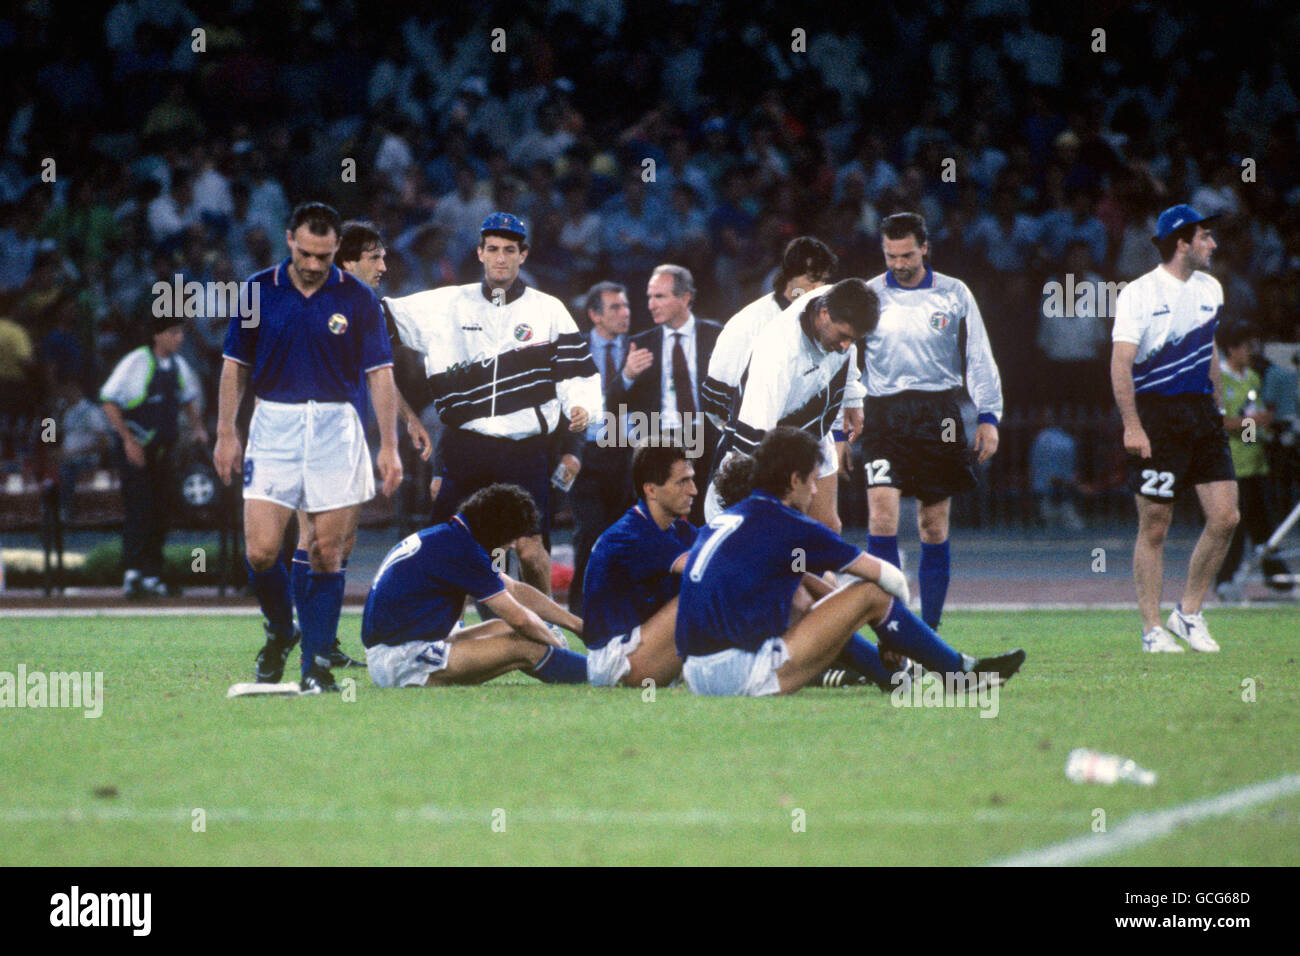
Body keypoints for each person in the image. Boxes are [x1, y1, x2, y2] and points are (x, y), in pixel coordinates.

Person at [675, 428, 1025, 697]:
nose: (815, 491)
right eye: (812, 480)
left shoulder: (729, 518)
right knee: (868, 594)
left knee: (806, 601)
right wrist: (893, 638)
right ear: (794, 480)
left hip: (695, 673)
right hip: (737, 674)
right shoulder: (788, 523)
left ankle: (895, 677)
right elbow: (889, 578)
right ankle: (958, 674)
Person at [214, 202, 403, 693]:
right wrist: (225, 433)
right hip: (272, 423)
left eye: (325, 255)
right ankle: (281, 630)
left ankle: (315, 665)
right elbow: (235, 365)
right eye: (306, 253)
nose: (315, 265)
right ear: (289, 240)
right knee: (259, 553)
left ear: (337, 247)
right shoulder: (257, 289)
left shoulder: (358, 297)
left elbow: (380, 374)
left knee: (325, 552)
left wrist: (389, 446)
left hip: (336, 426)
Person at [382, 212, 600, 598]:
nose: (501, 258)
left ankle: (542, 627)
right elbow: (376, 322)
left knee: (532, 550)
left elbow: (579, 374)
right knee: (441, 545)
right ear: (481, 253)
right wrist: (348, 282)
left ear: (524, 255)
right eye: (493, 249)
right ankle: (437, 631)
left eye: (510, 250)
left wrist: (581, 406)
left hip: (526, 450)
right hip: (466, 446)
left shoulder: (549, 310)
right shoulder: (446, 303)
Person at [282, 221, 432, 670]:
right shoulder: (318, 301)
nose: (384, 266)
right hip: (309, 432)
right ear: (347, 260)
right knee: (314, 536)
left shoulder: (366, 304)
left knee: (342, 540)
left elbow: (379, 373)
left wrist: (407, 421)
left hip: (345, 435)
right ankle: (310, 639)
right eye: (374, 257)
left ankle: (321, 641)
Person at [862, 212, 1004, 632]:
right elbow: (844, 362)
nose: (899, 264)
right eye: (891, 256)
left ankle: (930, 632)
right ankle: (893, 629)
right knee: (882, 515)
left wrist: (988, 416)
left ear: (925, 248)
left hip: (939, 412)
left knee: (933, 523)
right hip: (884, 412)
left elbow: (979, 355)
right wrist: (840, 423)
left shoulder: (954, 293)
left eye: (907, 255)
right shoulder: (868, 296)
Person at [1111, 203, 1239, 652]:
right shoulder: (1140, 293)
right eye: (1205, 236)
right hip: (1157, 414)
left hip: (1200, 412)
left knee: (1225, 517)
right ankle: (1151, 630)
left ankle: (1188, 613)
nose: (1213, 244)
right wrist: (1132, 426)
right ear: (1182, 242)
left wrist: (1220, 407)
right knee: (1156, 525)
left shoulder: (1211, 288)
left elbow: (1209, 351)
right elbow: (1121, 364)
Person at [363, 483, 589, 688]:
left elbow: (517, 590)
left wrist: (578, 626)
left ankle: (584, 667)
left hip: (397, 650)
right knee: (526, 645)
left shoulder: (452, 536)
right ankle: (604, 673)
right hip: (401, 659)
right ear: (497, 529)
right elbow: (520, 619)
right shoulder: (463, 551)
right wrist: (555, 647)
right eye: (510, 538)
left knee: (506, 629)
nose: (511, 546)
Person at [701, 236, 853, 532]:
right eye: (811, 280)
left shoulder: (828, 322)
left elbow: (840, 374)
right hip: (758, 444)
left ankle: (819, 577)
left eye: (823, 281)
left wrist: (843, 417)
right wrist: (742, 435)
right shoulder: (748, 324)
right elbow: (715, 400)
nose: (818, 290)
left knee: (827, 527)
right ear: (787, 277)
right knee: (762, 533)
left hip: (813, 438)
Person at [100, 314, 207, 598]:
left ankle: (152, 575)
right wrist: (127, 441)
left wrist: (198, 429)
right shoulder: (136, 362)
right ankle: (132, 574)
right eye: (173, 333)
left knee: (160, 512)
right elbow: (109, 400)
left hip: (164, 453)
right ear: (157, 336)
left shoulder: (178, 366)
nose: (179, 338)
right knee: (139, 509)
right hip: (137, 450)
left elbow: (189, 399)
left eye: (180, 333)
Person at [606, 263, 721, 525]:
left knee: (706, 519)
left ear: (685, 298)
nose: (651, 304)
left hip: (708, 438)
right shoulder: (640, 343)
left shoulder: (716, 336)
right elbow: (611, 403)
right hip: (661, 441)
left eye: (659, 296)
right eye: (649, 296)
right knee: (663, 524)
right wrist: (627, 376)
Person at [580, 443, 698, 687]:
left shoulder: (678, 530)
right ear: (651, 490)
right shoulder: (631, 534)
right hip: (615, 662)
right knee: (704, 590)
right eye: (682, 482)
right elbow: (708, 571)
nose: (694, 491)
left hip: (640, 646)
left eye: (692, 480)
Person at [568, 281, 634, 615]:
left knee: (625, 531)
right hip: (587, 452)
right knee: (590, 530)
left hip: (628, 452)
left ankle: (622, 606)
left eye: (626, 306)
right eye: (615, 308)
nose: (625, 313)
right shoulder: (574, 349)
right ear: (594, 315)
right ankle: (580, 607)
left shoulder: (641, 349)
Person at [1214, 321, 1292, 598]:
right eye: (1247, 346)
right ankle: (1225, 580)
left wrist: (1262, 427)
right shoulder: (1219, 378)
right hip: (1231, 465)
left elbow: (1248, 426)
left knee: (1265, 526)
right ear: (1232, 349)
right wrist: (1252, 421)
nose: (1252, 351)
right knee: (1233, 525)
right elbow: (1219, 423)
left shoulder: (1253, 378)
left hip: (1254, 462)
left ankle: (1279, 579)